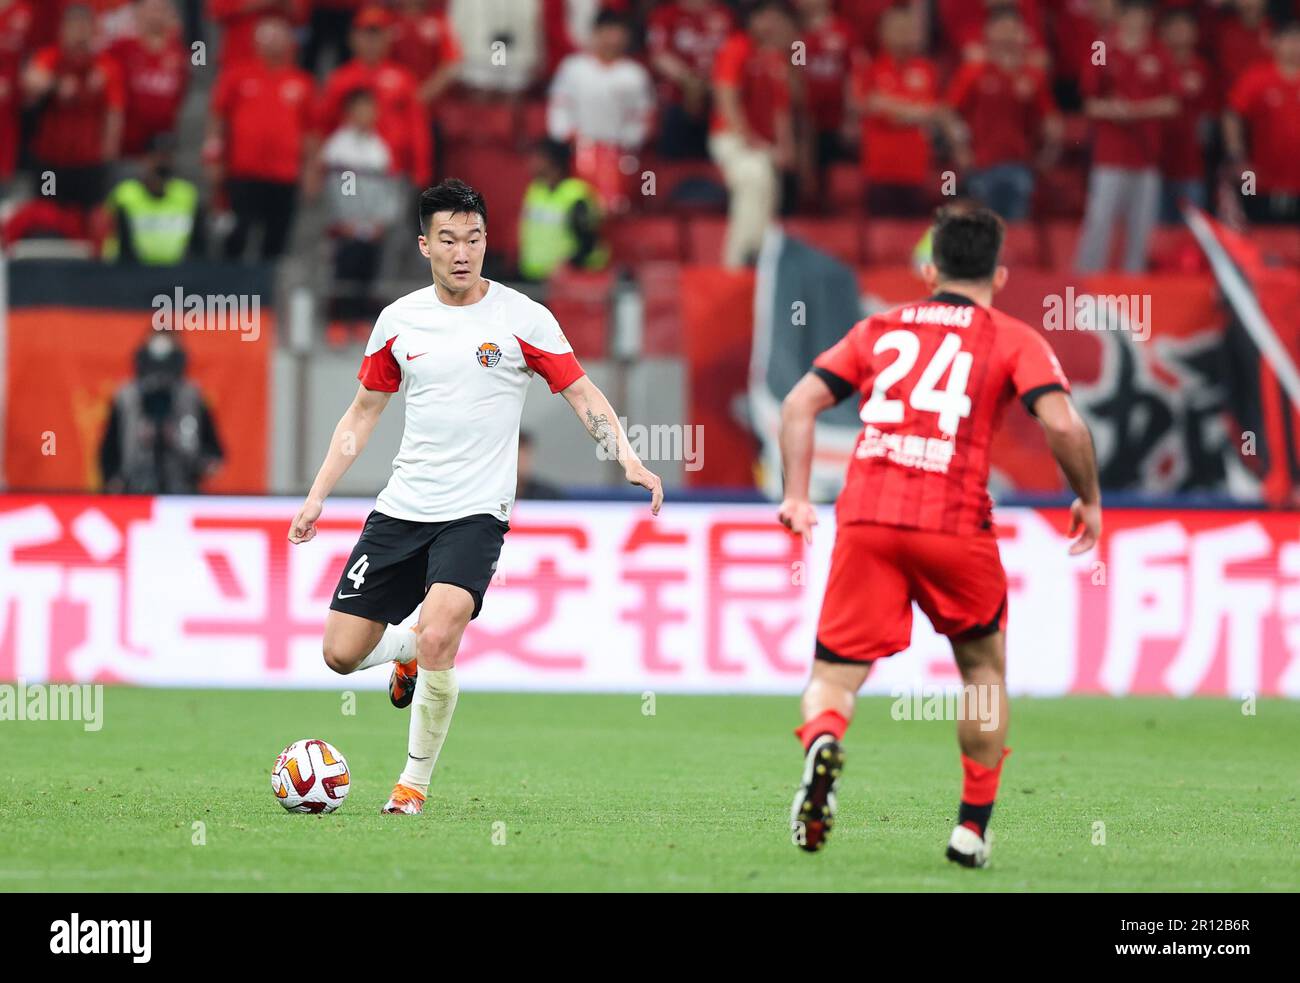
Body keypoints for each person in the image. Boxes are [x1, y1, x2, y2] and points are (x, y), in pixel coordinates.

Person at [287, 179, 663, 817]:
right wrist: (317, 495)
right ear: (424, 245)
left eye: (475, 238)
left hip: (476, 515)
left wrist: (625, 454)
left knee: (440, 636)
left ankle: (412, 786)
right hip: (402, 509)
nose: (463, 252)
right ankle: (402, 653)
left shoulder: (524, 318)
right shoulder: (398, 322)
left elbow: (581, 392)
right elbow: (362, 413)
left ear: (487, 241)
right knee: (340, 654)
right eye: (449, 240)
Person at [777, 204, 1101, 865]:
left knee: (834, 675)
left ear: (930, 270)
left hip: (867, 515)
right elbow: (1064, 424)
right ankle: (970, 830)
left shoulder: (879, 328)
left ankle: (823, 741)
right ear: (1000, 274)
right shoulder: (1012, 337)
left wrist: (796, 494)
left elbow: (798, 402)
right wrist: (1088, 497)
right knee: (982, 670)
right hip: (954, 521)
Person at [1074, 0, 1176, 273]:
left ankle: (1135, 282)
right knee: (1100, 219)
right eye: (1130, 14)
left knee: (1141, 225)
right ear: (1120, 16)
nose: (1136, 20)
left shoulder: (1159, 52)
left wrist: (1136, 111)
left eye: (1141, 15)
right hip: (1110, 153)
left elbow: (1172, 103)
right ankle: (1086, 278)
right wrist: (1113, 110)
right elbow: (1089, 102)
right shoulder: (1102, 48)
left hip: (1146, 154)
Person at [206, 14, 318, 262]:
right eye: (266, 37)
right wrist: (213, 159)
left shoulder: (301, 82)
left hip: (283, 175)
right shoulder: (236, 76)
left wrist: (310, 171)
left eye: (278, 36)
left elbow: (310, 132)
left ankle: (267, 296)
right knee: (236, 235)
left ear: (289, 41)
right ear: (255, 42)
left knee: (276, 241)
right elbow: (217, 122)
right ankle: (231, 294)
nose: (273, 43)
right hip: (242, 173)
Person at [944, 6, 1061, 221]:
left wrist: (1050, 151)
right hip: (981, 164)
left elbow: (1051, 120)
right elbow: (950, 114)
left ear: (1022, 33)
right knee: (982, 230)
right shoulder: (973, 71)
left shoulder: (1032, 75)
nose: (1007, 34)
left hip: (1019, 166)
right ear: (988, 32)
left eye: (1012, 28)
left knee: (1015, 232)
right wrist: (960, 147)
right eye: (1002, 28)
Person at [709, 0, 797, 267]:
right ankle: (738, 262)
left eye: (777, 19)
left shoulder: (775, 58)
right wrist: (748, 137)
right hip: (731, 137)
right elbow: (726, 97)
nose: (771, 25)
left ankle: (758, 257)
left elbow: (782, 110)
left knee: (768, 190)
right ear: (753, 20)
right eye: (766, 18)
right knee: (754, 176)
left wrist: (786, 146)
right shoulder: (737, 46)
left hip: (762, 144)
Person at [546, 9, 654, 212]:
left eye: (618, 33)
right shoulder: (573, 68)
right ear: (595, 34)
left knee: (614, 208)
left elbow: (642, 117)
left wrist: (626, 142)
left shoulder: (635, 75)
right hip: (577, 149)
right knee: (577, 206)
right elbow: (559, 108)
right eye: (607, 32)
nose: (612, 40)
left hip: (618, 153)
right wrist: (567, 136)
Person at [319, 87, 404, 326]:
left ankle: (360, 320)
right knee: (344, 270)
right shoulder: (337, 147)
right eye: (360, 110)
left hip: (373, 225)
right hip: (345, 226)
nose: (365, 115)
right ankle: (338, 320)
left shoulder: (380, 148)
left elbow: (388, 189)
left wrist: (382, 221)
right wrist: (343, 221)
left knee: (369, 270)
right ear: (349, 112)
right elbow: (336, 191)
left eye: (370, 110)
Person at [100, 334, 224, 494]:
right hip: (135, 491)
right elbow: (107, 452)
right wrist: (115, 480)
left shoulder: (192, 398)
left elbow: (213, 454)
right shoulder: (126, 398)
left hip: (182, 491)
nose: (159, 378)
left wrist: (185, 448)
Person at [852, 2, 939, 217]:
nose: (904, 34)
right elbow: (867, 104)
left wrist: (890, 107)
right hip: (880, 170)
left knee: (912, 238)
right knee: (882, 239)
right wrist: (912, 110)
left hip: (916, 170)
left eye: (909, 28)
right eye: (898, 28)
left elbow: (932, 111)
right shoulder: (870, 69)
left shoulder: (927, 69)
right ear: (882, 32)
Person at [1224, 19, 1300, 226]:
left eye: (1298, 40)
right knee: (1259, 235)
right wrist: (1237, 155)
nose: (1294, 46)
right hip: (1260, 180)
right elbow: (1232, 115)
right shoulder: (1258, 76)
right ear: (1274, 43)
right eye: (1289, 40)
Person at [645, 0, 734, 160]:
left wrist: (712, 81)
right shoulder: (666, 15)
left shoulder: (724, 14)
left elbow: (735, 52)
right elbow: (658, 55)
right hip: (677, 102)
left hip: (718, 102)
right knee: (674, 164)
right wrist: (689, 79)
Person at [518, 138, 608, 282]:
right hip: (534, 278)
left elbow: (589, 243)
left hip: (567, 282)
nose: (531, 162)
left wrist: (569, 266)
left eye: (537, 157)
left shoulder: (576, 195)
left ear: (553, 161)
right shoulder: (535, 190)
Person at [103, 133, 202, 264]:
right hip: (130, 273)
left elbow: (198, 243)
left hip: (175, 275)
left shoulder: (187, 195)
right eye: (158, 157)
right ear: (145, 160)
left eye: (168, 157)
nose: (163, 163)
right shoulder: (124, 194)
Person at [107, 0, 188, 157]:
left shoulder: (178, 53)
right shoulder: (122, 49)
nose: (155, 15)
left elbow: (181, 92)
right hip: (128, 145)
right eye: (151, 9)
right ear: (138, 13)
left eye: (161, 9)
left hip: (162, 145)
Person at [1157, 6, 1213, 223]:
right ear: (1162, 32)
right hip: (1156, 163)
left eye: (1185, 27)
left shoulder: (1202, 68)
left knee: (1193, 230)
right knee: (1156, 231)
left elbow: (1210, 113)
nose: (1181, 32)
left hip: (1191, 165)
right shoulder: (1153, 64)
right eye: (1175, 27)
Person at [516, 431, 566, 500]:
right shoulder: (497, 493)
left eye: (525, 454)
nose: (520, 461)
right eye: (517, 455)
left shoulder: (548, 495)